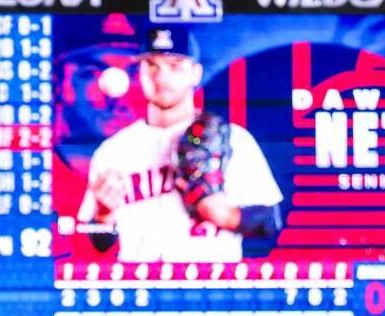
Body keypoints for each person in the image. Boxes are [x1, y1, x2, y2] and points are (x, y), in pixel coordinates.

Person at [76, 27, 283, 262]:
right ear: (139, 73)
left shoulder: (233, 139)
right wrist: (104, 215)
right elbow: (98, 243)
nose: (162, 78)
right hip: (139, 279)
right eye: (152, 66)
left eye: (175, 66)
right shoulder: (112, 151)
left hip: (210, 278)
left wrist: (224, 215)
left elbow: (269, 222)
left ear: (195, 73)